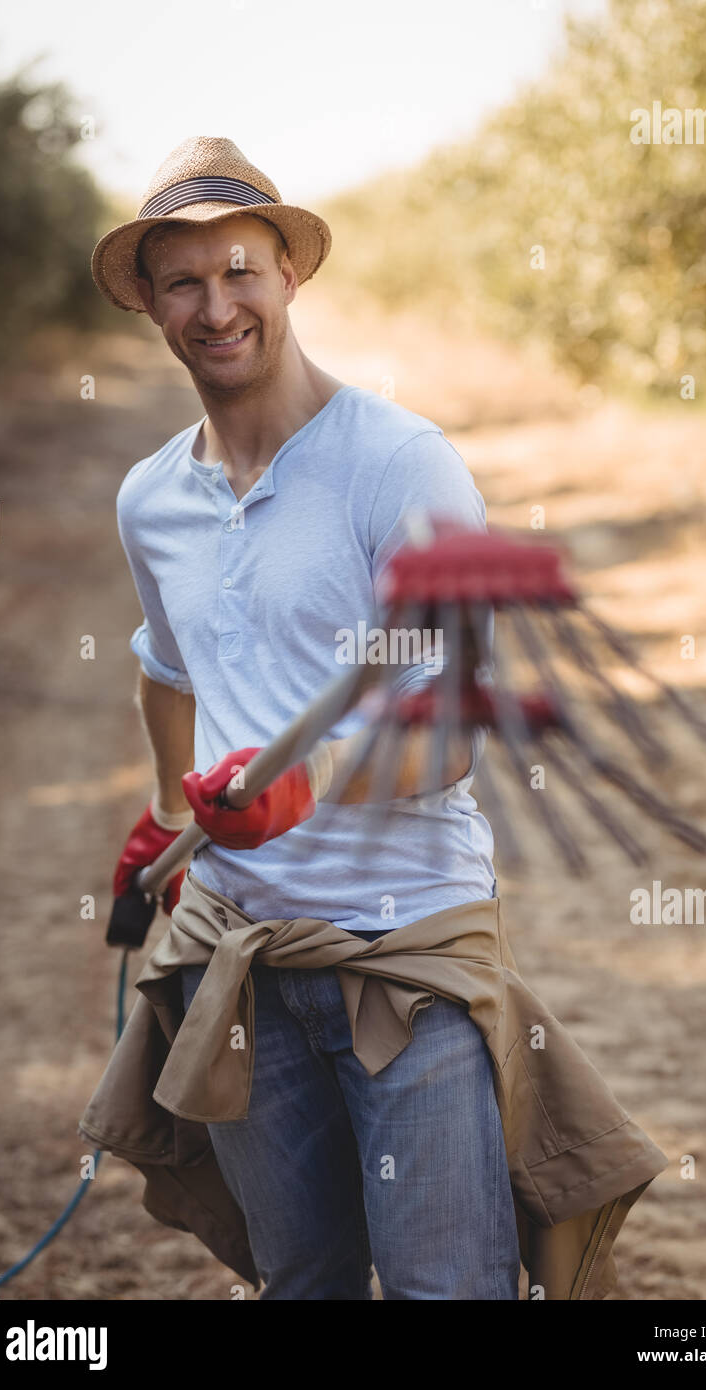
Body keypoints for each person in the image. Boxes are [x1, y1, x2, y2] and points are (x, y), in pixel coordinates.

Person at [99, 136, 519, 1299]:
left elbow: (457, 726)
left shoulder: (398, 465)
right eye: (181, 280)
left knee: (447, 1286)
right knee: (300, 1280)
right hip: (238, 960)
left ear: (290, 274)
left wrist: (312, 778)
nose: (215, 305)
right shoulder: (151, 499)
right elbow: (170, 668)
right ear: (147, 301)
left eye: (240, 270)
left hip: (407, 959)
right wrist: (158, 812)